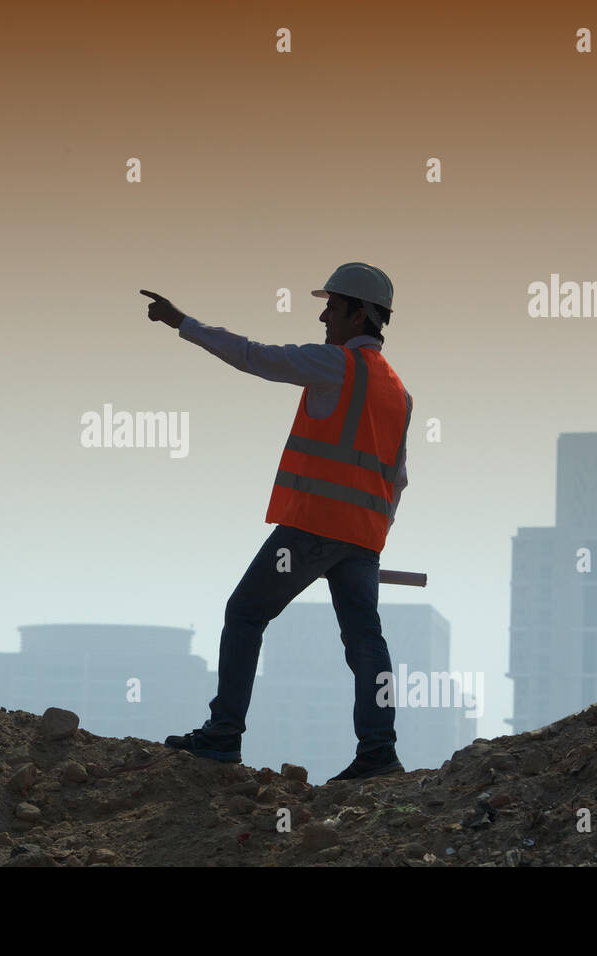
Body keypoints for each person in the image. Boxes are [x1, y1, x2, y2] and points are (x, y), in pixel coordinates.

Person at [140, 263, 412, 782]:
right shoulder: (398, 392)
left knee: (245, 614)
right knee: (366, 643)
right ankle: (379, 753)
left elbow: (256, 357)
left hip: (314, 526)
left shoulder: (336, 365)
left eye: (332, 306)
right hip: (362, 537)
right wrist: (372, 541)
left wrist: (182, 322)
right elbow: (397, 478)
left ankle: (223, 736)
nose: (323, 314)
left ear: (360, 313)